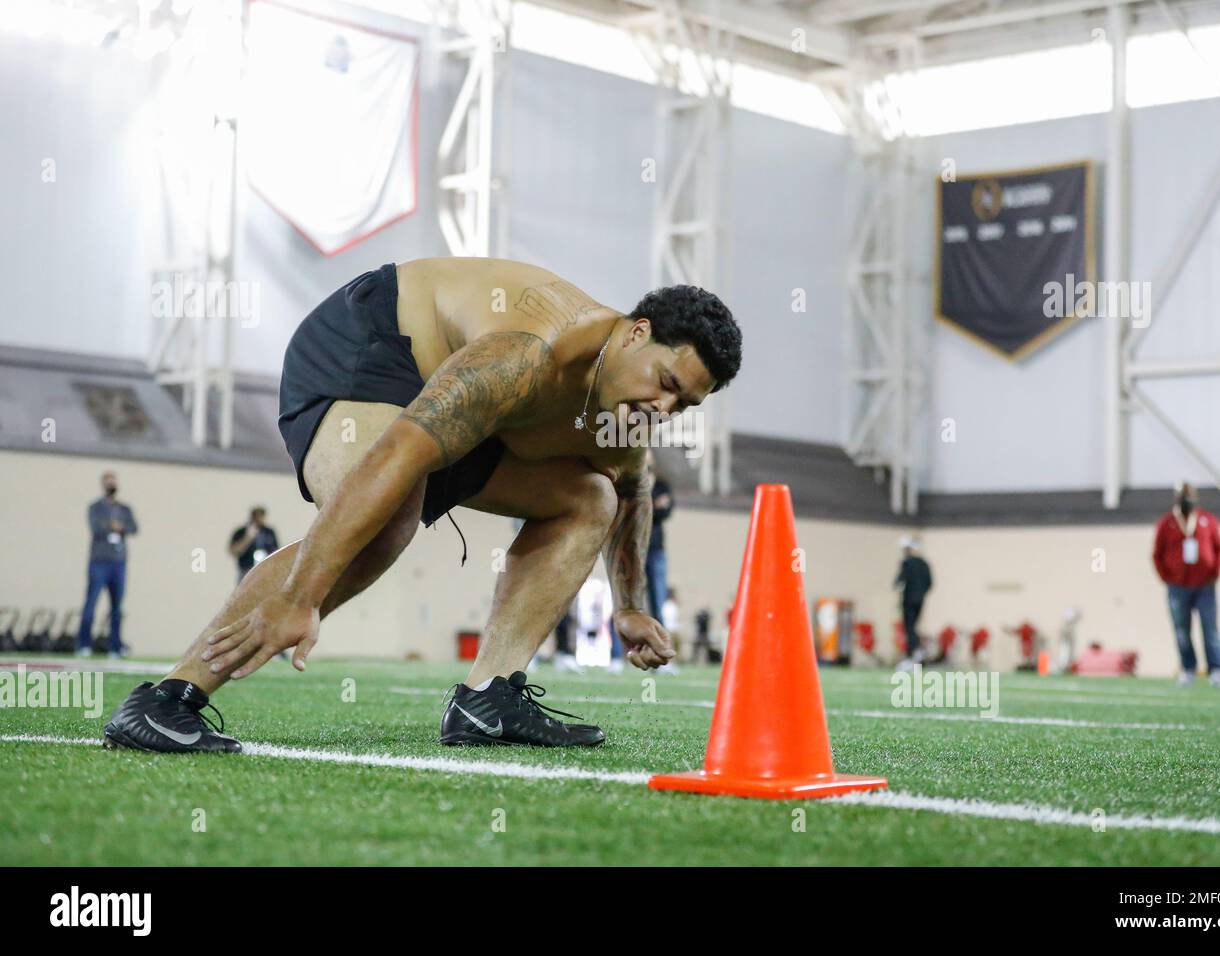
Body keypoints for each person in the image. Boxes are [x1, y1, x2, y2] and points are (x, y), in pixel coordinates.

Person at [102, 257, 741, 752]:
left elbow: (631, 491)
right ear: (636, 334)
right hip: (372, 345)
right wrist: (301, 596)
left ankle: (488, 698)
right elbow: (403, 450)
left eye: (684, 405)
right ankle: (167, 699)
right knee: (387, 522)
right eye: (665, 384)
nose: (664, 411)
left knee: (589, 496)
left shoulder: (626, 417)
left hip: (472, 422)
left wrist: (631, 607)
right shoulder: (527, 351)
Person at [1153, 482, 1220, 687]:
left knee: (1210, 629)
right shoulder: (1167, 523)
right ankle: (1188, 669)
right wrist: (1166, 576)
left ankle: (1217, 670)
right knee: (1181, 630)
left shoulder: (1207, 520)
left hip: (1205, 585)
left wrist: (1215, 573)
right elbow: (1157, 554)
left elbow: (1219, 549)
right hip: (1177, 587)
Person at [76, 471, 137, 658]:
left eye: (114, 481)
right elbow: (96, 527)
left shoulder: (124, 509)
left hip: (118, 563)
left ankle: (115, 647)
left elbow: (133, 528)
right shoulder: (95, 507)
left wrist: (121, 527)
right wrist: (113, 526)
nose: (112, 484)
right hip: (99, 562)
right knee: (91, 603)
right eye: (108, 481)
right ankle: (83, 644)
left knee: (117, 607)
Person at [894, 536, 932, 670]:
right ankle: (917, 654)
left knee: (909, 628)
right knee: (914, 627)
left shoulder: (907, 562)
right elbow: (930, 583)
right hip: (920, 600)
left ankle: (912, 655)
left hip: (909, 600)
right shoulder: (924, 563)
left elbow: (899, 581)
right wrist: (920, 594)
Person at [645, 455, 673, 623]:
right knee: (628, 601)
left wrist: (647, 508)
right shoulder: (633, 485)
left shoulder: (662, 486)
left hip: (656, 549)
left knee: (658, 600)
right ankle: (619, 648)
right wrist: (654, 505)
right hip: (635, 550)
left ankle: (659, 644)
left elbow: (666, 512)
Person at [228, 507, 280, 584]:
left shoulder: (269, 532)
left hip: (266, 570)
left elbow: (276, 550)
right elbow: (234, 551)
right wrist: (248, 538)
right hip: (246, 570)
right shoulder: (241, 532)